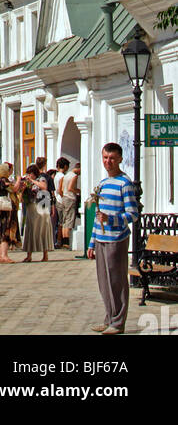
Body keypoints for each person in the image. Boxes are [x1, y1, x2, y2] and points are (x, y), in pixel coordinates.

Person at [87, 142, 139, 335]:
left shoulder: (124, 184)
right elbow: (97, 216)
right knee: (103, 282)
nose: (108, 162)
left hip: (116, 239)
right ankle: (109, 317)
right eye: (105, 158)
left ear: (119, 160)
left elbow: (133, 214)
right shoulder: (102, 184)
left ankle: (118, 322)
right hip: (101, 239)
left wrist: (113, 219)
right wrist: (91, 243)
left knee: (116, 281)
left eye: (112, 159)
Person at [0, 161, 22, 263]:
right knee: (5, 232)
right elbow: (13, 189)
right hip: (6, 211)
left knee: (0, 232)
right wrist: (18, 180)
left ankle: (1, 255)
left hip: (1, 211)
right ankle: (4, 255)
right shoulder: (3, 180)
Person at [20, 164, 52, 262]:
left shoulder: (41, 178)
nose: (29, 176)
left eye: (30, 174)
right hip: (30, 207)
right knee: (30, 230)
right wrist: (24, 187)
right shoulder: (27, 182)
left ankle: (45, 255)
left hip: (40, 207)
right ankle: (29, 255)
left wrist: (32, 181)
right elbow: (21, 197)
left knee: (42, 229)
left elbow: (44, 187)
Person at [60, 162, 81, 248]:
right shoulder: (74, 176)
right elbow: (70, 188)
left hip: (64, 197)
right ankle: (68, 242)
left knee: (65, 221)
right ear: (79, 169)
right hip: (70, 198)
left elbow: (60, 189)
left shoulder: (66, 175)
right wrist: (78, 191)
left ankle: (65, 241)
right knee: (70, 220)